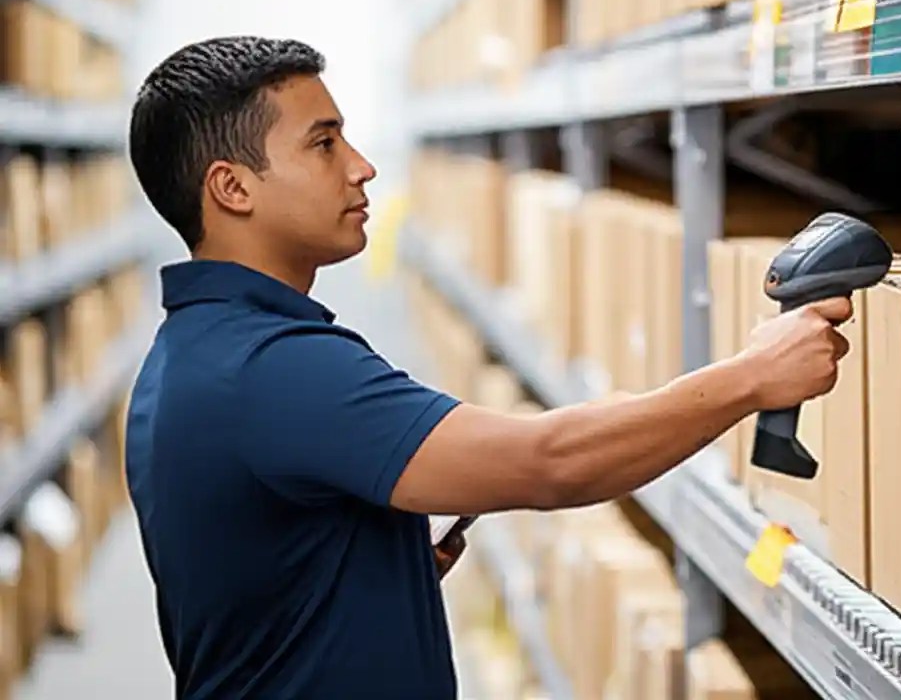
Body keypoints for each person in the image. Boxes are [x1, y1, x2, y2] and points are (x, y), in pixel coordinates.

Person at [124, 35, 853, 699]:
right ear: (233, 188)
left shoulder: (194, 352)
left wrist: (374, 576)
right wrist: (756, 374)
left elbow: (255, 580)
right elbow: (551, 462)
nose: (362, 166)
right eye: (324, 143)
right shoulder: (271, 369)